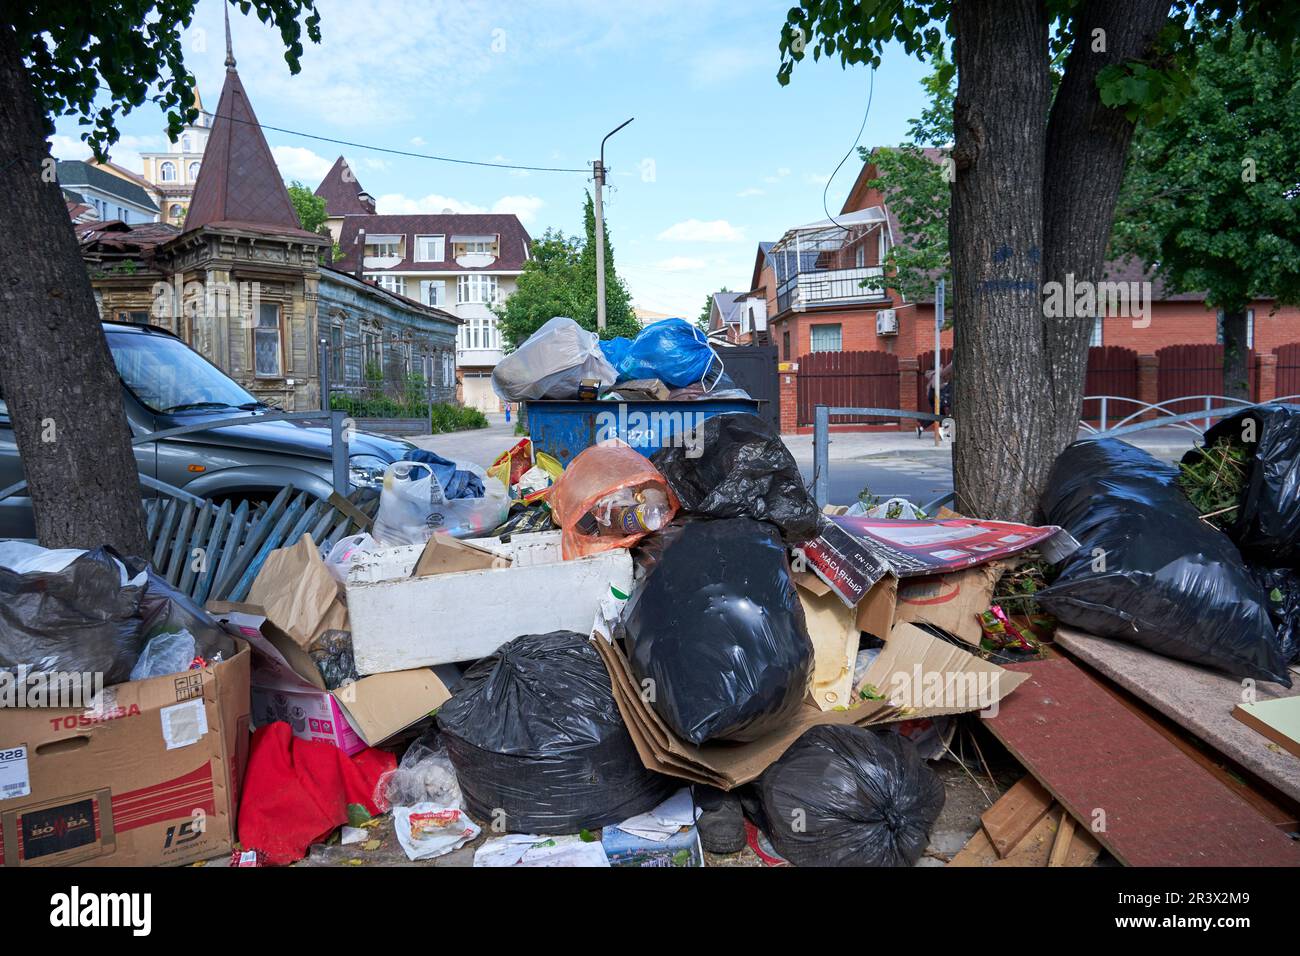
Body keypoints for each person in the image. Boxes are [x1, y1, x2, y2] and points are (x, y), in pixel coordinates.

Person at [918, 361, 953, 437]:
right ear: (938, 366)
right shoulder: (936, 374)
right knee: (938, 415)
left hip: (933, 397)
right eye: (941, 366)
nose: (942, 367)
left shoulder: (934, 373)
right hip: (935, 397)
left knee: (938, 415)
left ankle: (922, 428)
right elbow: (935, 386)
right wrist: (945, 385)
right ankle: (941, 431)